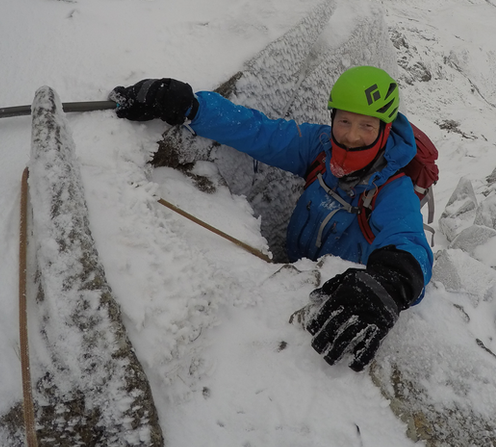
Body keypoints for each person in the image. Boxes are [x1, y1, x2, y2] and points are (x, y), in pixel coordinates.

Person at [110, 65, 433, 372]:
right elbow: (258, 131)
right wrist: (190, 107)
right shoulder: (319, 147)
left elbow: (408, 242)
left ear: (384, 129)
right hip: (294, 272)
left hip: (344, 291)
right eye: (345, 122)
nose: (350, 136)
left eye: (367, 126)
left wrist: (386, 285)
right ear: (332, 117)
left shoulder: (393, 189)